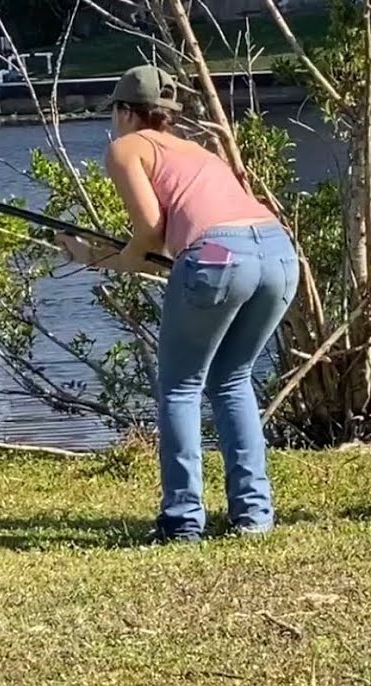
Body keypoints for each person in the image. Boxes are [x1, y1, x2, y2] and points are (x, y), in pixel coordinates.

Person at [56, 64, 300, 543]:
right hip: (278, 253)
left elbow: (150, 233)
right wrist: (97, 256)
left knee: (180, 387)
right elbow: (178, 247)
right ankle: (254, 517)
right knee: (232, 379)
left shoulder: (126, 148)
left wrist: (99, 258)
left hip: (217, 257)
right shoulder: (197, 151)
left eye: (115, 113)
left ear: (125, 112)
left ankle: (182, 521)